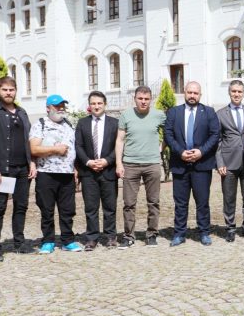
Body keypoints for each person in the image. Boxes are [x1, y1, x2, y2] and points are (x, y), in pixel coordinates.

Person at [0, 76, 36, 260]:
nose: (8, 93)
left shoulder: (22, 113)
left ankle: (19, 242)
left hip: (22, 169)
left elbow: (28, 140)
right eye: (5, 89)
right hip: (2, 170)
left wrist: (32, 162)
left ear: (15, 91)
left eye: (11, 90)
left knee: (21, 206)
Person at [164, 81, 220, 247]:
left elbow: (214, 135)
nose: (192, 96)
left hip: (201, 164)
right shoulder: (174, 112)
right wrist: (180, 152)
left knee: (202, 201)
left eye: (195, 93)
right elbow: (168, 135)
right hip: (180, 164)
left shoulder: (208, 112)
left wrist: (201, 151)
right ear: (184, 93)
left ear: (200, 95)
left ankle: (204, 232)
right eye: (189, 92)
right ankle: (179, 233)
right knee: (180, 202)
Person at [29, 94, 82, 254]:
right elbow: (34, 149)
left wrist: (75, 168)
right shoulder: (40, 124)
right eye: (57, 106)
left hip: (66, 174)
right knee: (47, 209)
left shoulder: (68, 124)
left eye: (62, 106)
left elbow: (72, 149)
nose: (61, 109)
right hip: (47, 174)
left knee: (67, 209)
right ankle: (48, 240)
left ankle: (68, 240)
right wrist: (55, 150)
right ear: (48, 108)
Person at [115, 86, 167, 248]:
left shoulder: (159, 115)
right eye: (140, 98)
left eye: (146, 99)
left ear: (150, 99)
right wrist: (119, 163)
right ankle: (129, 235)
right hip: (130, 164)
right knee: (129, 203)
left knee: (153, 202)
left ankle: (152, 234)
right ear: (135, 99)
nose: (143, 102)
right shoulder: (126, 115)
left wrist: (161, 148)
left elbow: (168, 133)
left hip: (152, 164)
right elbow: (120, 140)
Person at [74, 91, 119, 250]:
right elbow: (78, 146)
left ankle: (110, 237)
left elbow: (119, 146)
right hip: (89, 173)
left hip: (108, 171)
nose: (96, 106)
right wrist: (88, 162)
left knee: (110, 207)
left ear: (105, 105)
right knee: (91, 208)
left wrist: (107, 161)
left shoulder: (114, 123)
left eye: (99, 103)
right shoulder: (82, 123)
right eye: (93, 103)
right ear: (89, 105)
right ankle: (92, 238)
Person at [215, 80, 244, 242]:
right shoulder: (220, 114)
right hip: (228, 162)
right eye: (234, 91)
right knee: (229, 197)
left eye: (239, 91)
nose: (236, 94)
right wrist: (219, 163)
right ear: (229, 92)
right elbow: (217, 141)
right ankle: (230, 228)